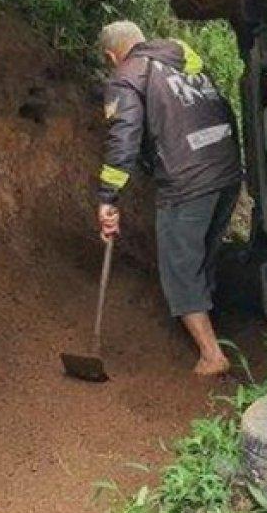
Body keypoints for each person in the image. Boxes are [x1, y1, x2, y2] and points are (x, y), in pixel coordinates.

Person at [95, 21, 242, 376]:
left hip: (187, 182)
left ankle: (211, 354)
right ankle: (210, 315)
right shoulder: (181, 61)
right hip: (226, 170)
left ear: (111, 55)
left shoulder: (126, 75)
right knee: (202, 251)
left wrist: (108, 198)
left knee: (179, 266)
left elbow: (124, 137)